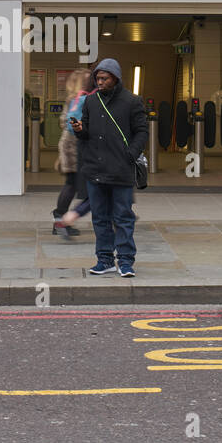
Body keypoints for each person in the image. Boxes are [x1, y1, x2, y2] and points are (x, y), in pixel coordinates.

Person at [71, 58, 147, 278]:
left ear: (116, 78)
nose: (100, 82)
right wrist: (79, 129)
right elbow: (85, 134)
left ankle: (125, 261)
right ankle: (104, 260)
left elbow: (142, 132)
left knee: (123, 217)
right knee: (100, 218)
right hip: (95, 169)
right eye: (98, 78)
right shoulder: (91, 102)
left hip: (121, 170)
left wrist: (130, 154)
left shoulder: (132, 101)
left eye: (104, 78)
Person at [53, 70, 94, 237]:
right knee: (74, 183)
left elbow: (63, 121)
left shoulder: (73, 98)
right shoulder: (83, 98)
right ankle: (61, 220)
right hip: (75, 146)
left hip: (69, 144)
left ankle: (59, 220)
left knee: (72, 183)